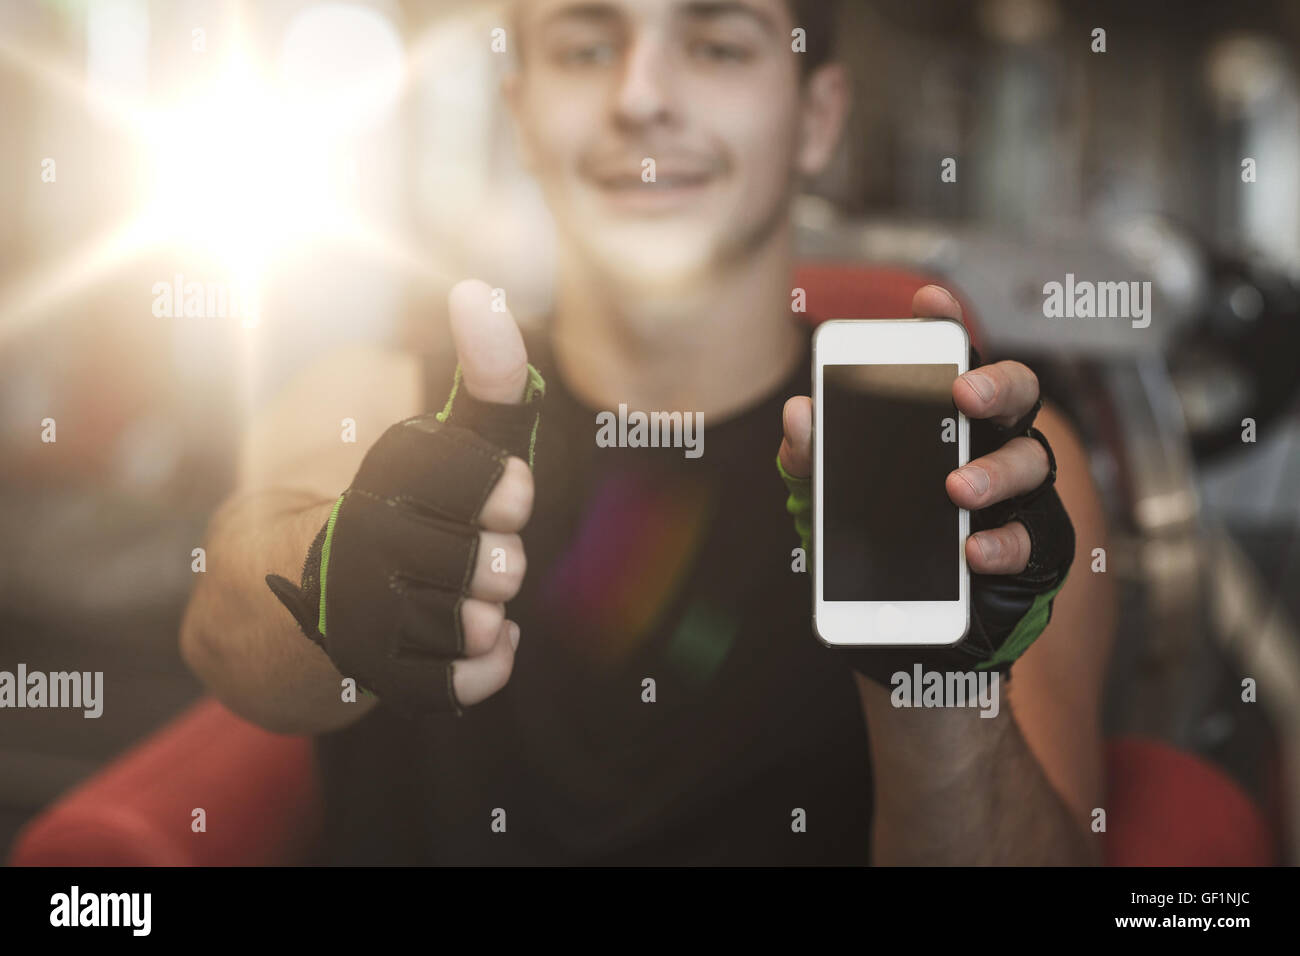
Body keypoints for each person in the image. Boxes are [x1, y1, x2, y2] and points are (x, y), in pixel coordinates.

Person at [180, 0, 1116, 865]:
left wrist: (940, 697)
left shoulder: (984, 468)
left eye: (716, 45)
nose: (641, 97)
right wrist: (335, 570)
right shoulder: (372, 392)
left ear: (818, 116)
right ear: (522, 114)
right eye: (588, 47)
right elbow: (224, 634)